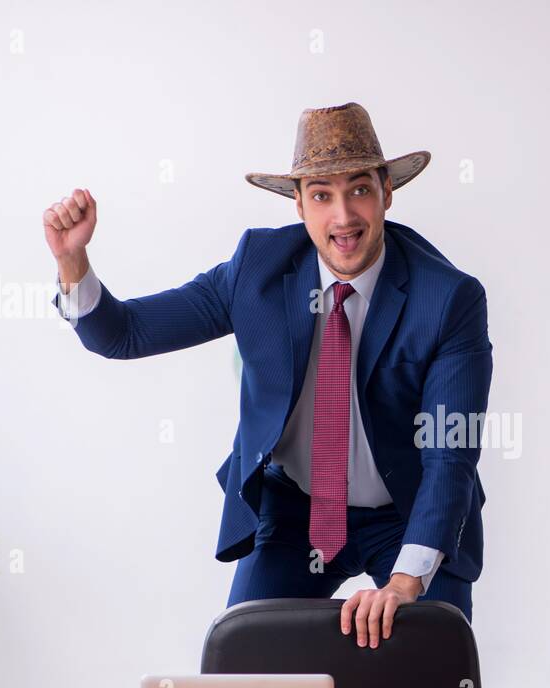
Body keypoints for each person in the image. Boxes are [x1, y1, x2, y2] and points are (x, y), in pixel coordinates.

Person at [43, 102, 490, 649]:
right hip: (298, 509)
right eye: (322, 195)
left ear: (386, 194)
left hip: (410, 511)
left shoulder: (449, 298)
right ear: (298, 204)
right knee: (245, 662)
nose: (343, 216)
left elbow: (451, 453)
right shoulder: (257, 269)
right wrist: (73, 264)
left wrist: (403, 583)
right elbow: (124, 333)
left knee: (437, 669)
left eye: (359, 190)